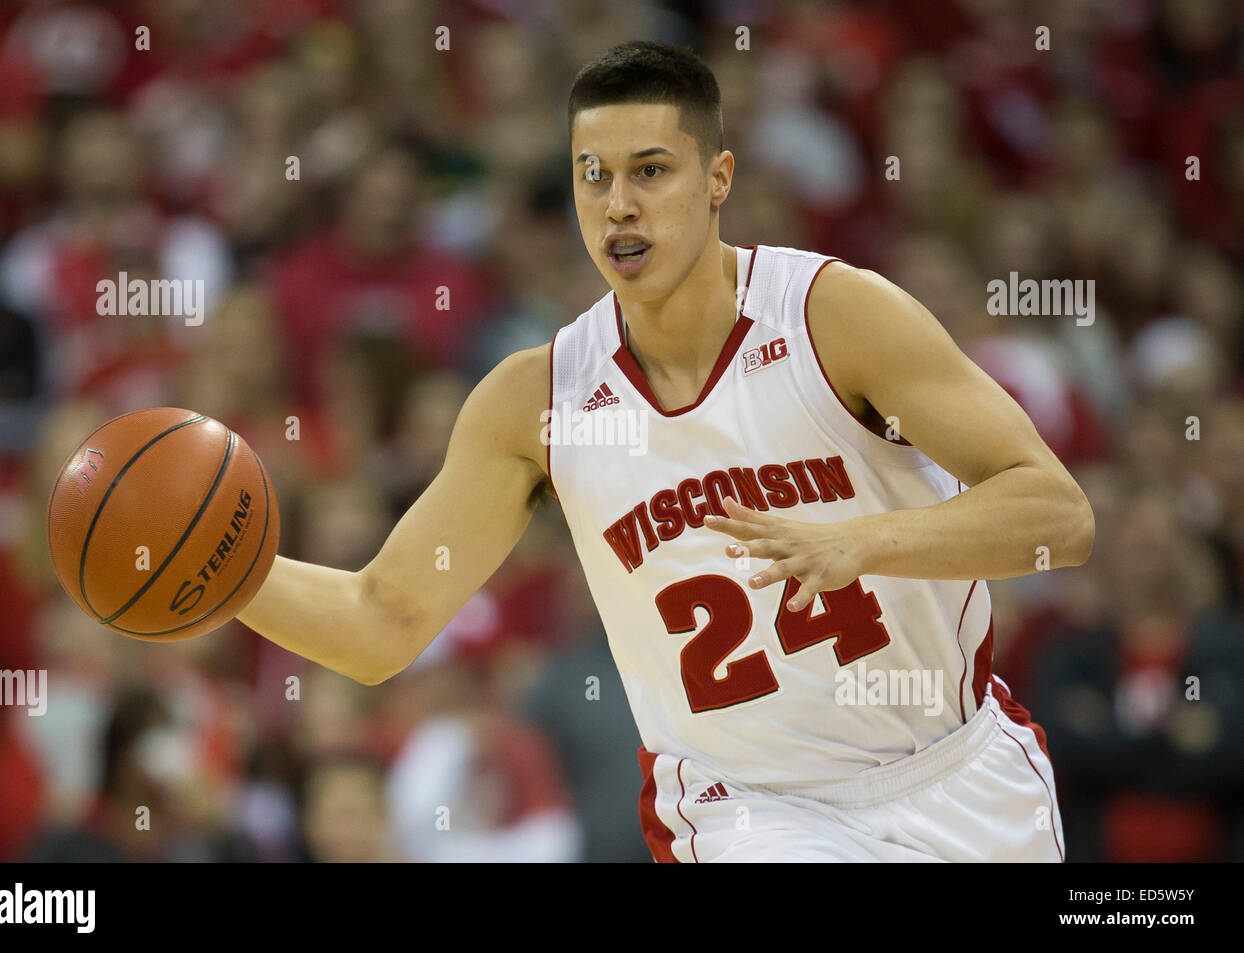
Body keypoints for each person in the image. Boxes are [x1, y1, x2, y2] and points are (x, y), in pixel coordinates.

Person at [237, 41, 1094, 862]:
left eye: (650, 170)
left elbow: (1058, 514)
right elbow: (383, 622)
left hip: (958, 777)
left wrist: (863, 543)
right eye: (592, 175)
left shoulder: (835, 318)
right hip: (751, 810)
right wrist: (214, 572)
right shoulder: (535, 401)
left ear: (718, 177)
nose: (618, 205)